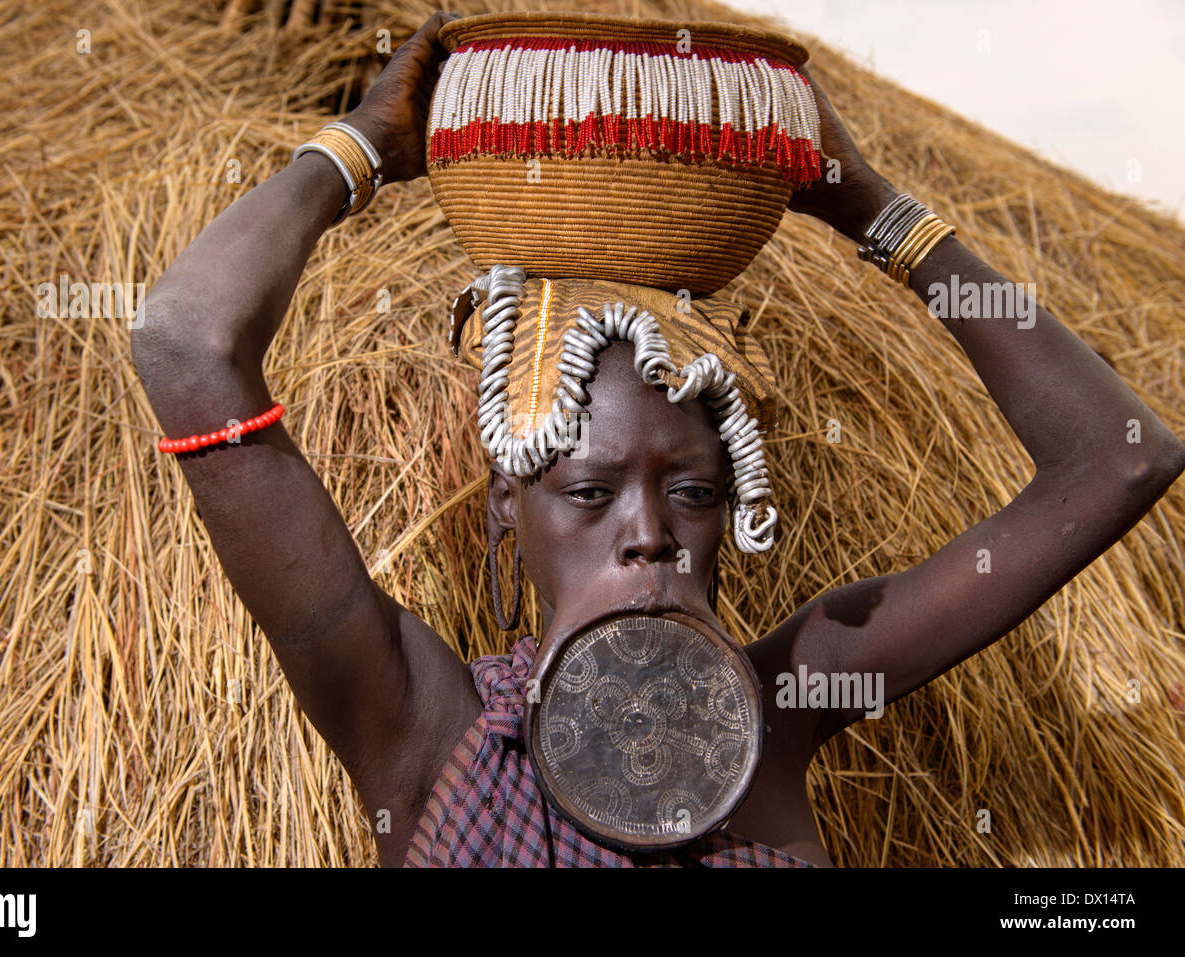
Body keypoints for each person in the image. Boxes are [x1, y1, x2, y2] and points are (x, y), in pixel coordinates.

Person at [129, 12, 1185, 867]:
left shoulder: (788, 701)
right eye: (588, 494)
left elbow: (1124, 455)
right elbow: (185, 345)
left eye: (691, 492)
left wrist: (866, 203)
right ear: (512, 506)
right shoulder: (421, 732)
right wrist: (362, 147)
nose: (649, 536)